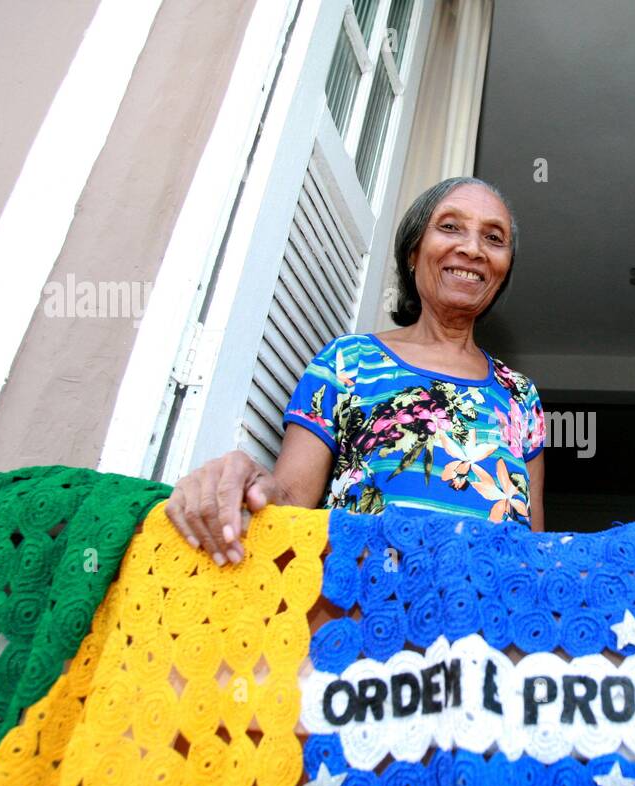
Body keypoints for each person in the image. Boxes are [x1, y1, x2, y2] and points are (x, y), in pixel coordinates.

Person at [165, 177, 546, 566]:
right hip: (365, 611)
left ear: (504, 269)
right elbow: (290, 503)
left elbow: (535, 548)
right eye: (450, 227)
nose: (472, 248)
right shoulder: (348, 361)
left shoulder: (519, 395)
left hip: (488, 616)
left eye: (494, 238)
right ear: (413, 252)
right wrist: (244, 481)